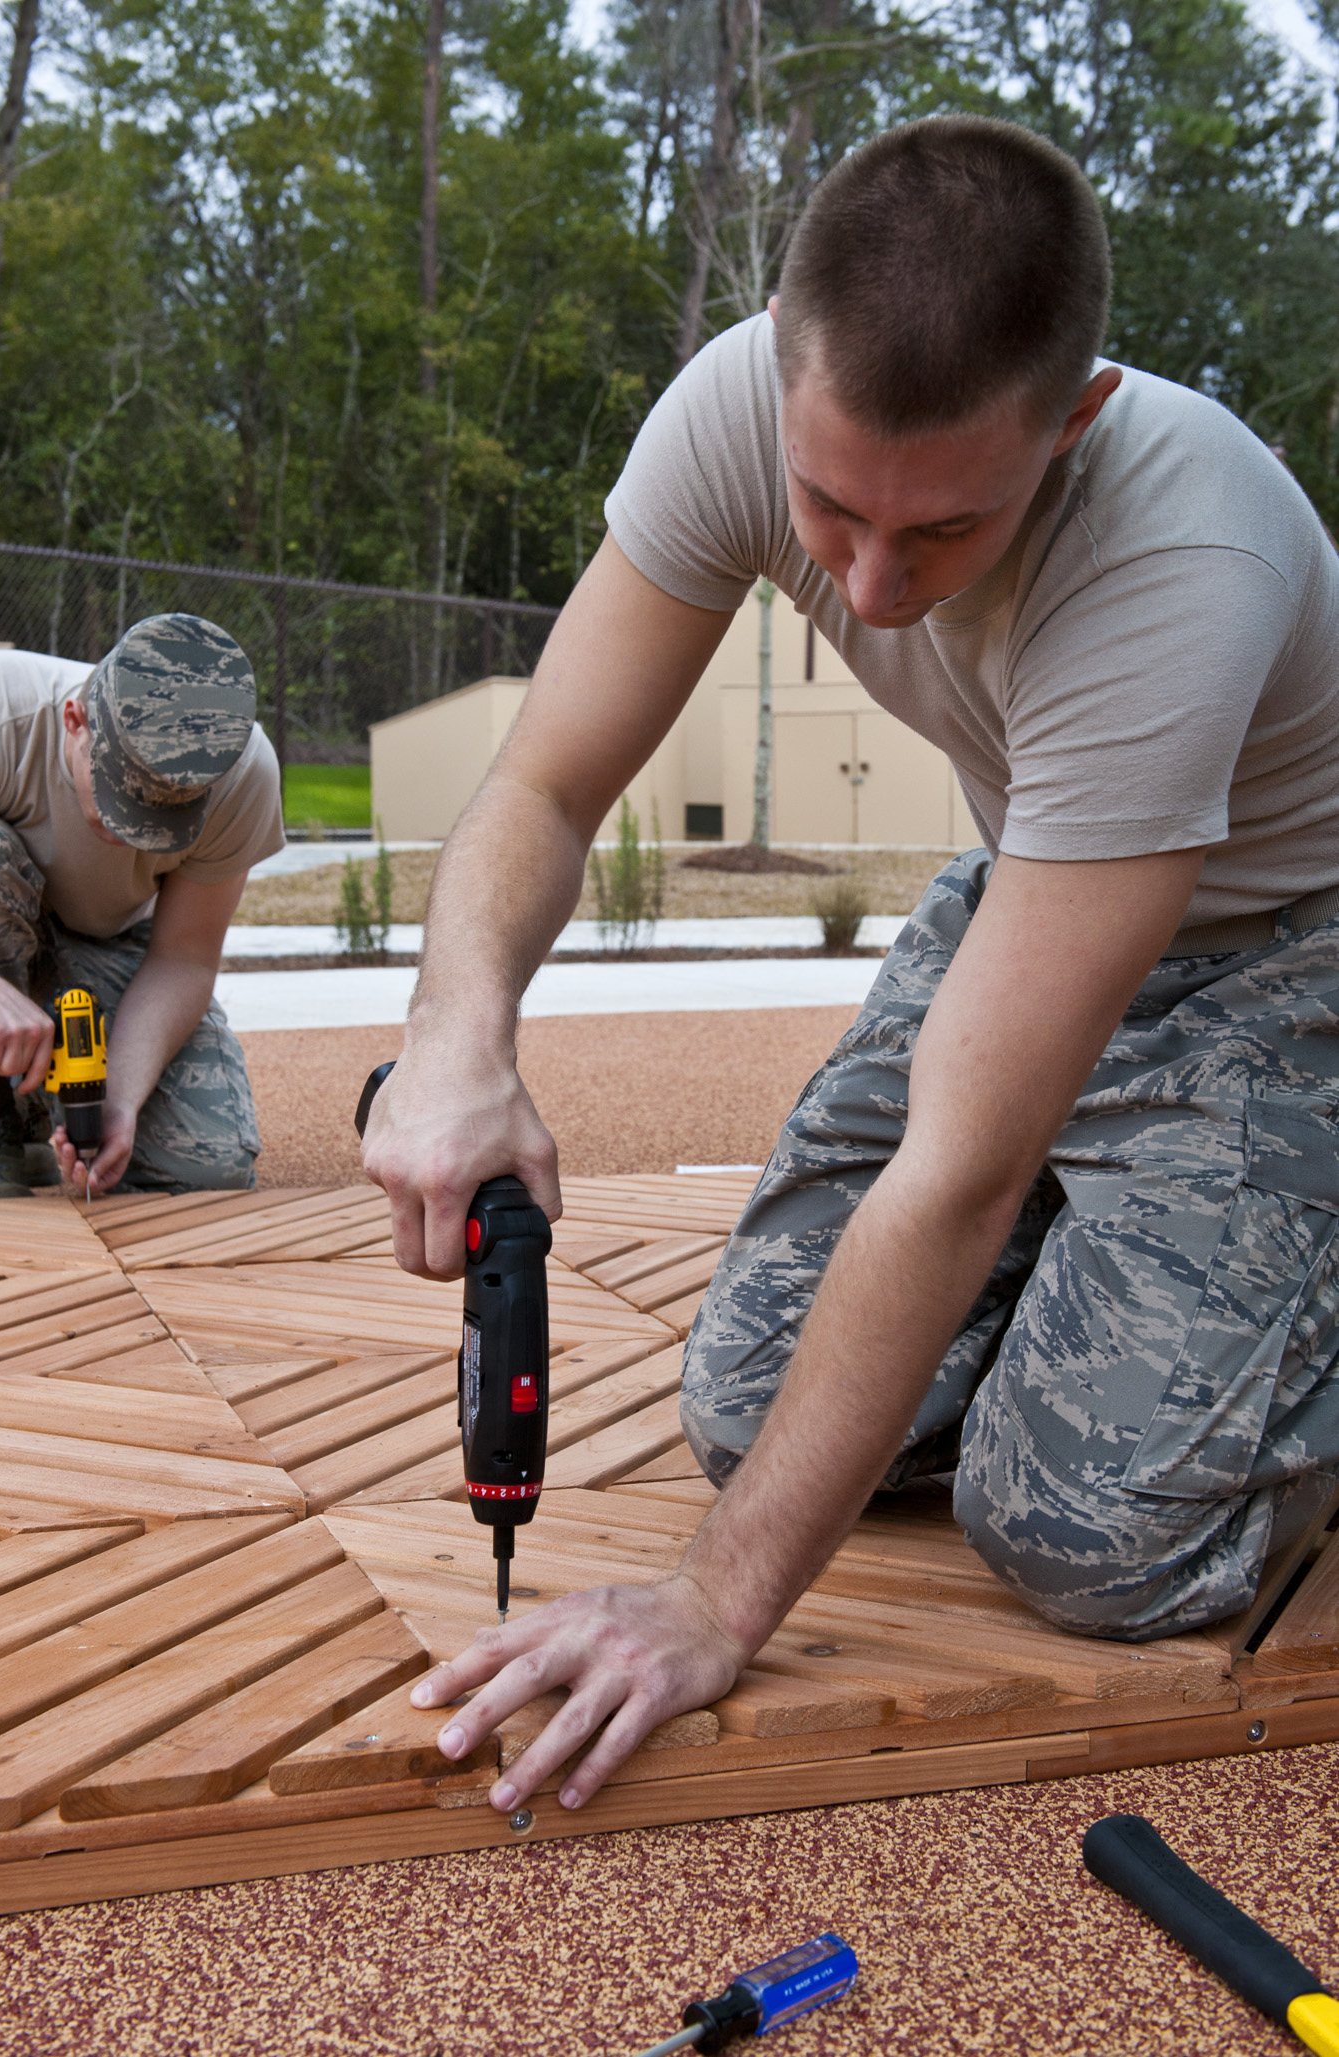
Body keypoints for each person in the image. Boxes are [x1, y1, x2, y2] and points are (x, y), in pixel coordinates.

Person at [360, 112, 1339, 1815]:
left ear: (1076, 421)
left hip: (1286, 959)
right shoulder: (737, 404)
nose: (873, 586)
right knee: (754, 1408)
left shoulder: (1182, 553)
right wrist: (457, 1036)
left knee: (1093, 1531)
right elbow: (541, 779)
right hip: (1040, 884)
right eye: (829, 508)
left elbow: (961, 1168)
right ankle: (1180, 1283)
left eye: (945, 530)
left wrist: (715, 1602)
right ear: (778, 382)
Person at [0, 611, 283, 1199]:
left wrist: (118, 1096)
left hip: (110, 948)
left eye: (164, 818)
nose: (136, 833)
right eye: (122, 800)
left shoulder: (240, 772)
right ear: (75, 722)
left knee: (210, 1169)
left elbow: (184, 957)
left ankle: (59, 1110)